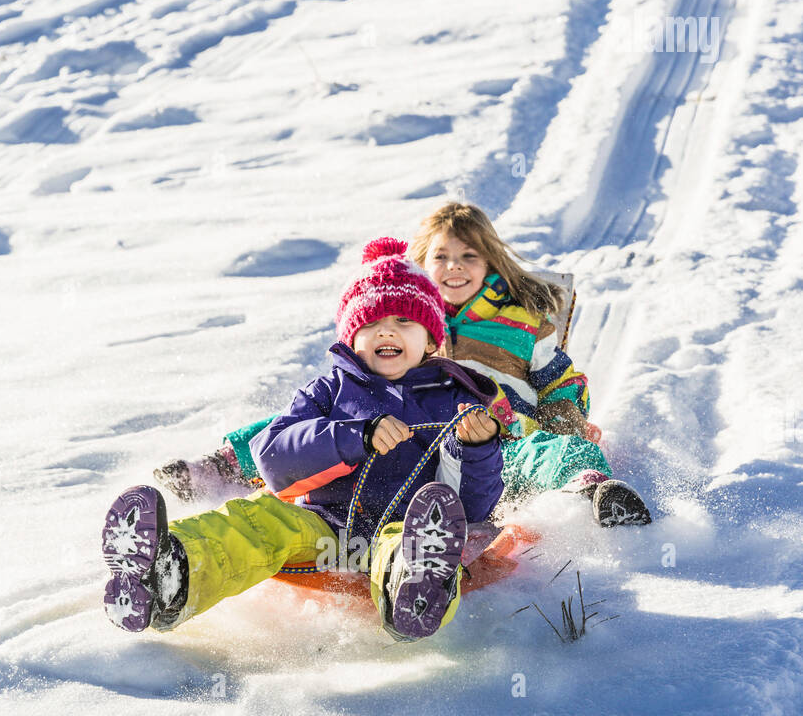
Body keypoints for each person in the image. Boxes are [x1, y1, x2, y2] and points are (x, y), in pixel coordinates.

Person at [102, 238, 505, 642]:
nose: (387, 330)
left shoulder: (455, 399)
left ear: (431, 339)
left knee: (413, 543)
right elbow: (273, 460)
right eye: (371, 323)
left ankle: (414, 590)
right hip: (322, 526)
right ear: (352, 336)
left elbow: (470, 507)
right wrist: (355, 437)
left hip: (404, 529)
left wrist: (474, 449)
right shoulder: (328, 390)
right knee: (260, 519)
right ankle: (171, 574)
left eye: (404, 322)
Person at [155, 202, 651, 528]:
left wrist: (564, 416)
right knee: (304, 423)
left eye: (468, 256)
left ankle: (592, 490)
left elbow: (562, 378)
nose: (454, 267)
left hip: (502, 428)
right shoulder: (409, 318)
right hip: (417, 432)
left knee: (554, 450)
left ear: (491, 262)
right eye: (442, 257)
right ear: (423, 264)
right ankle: (221, 467)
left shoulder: (519, 320)